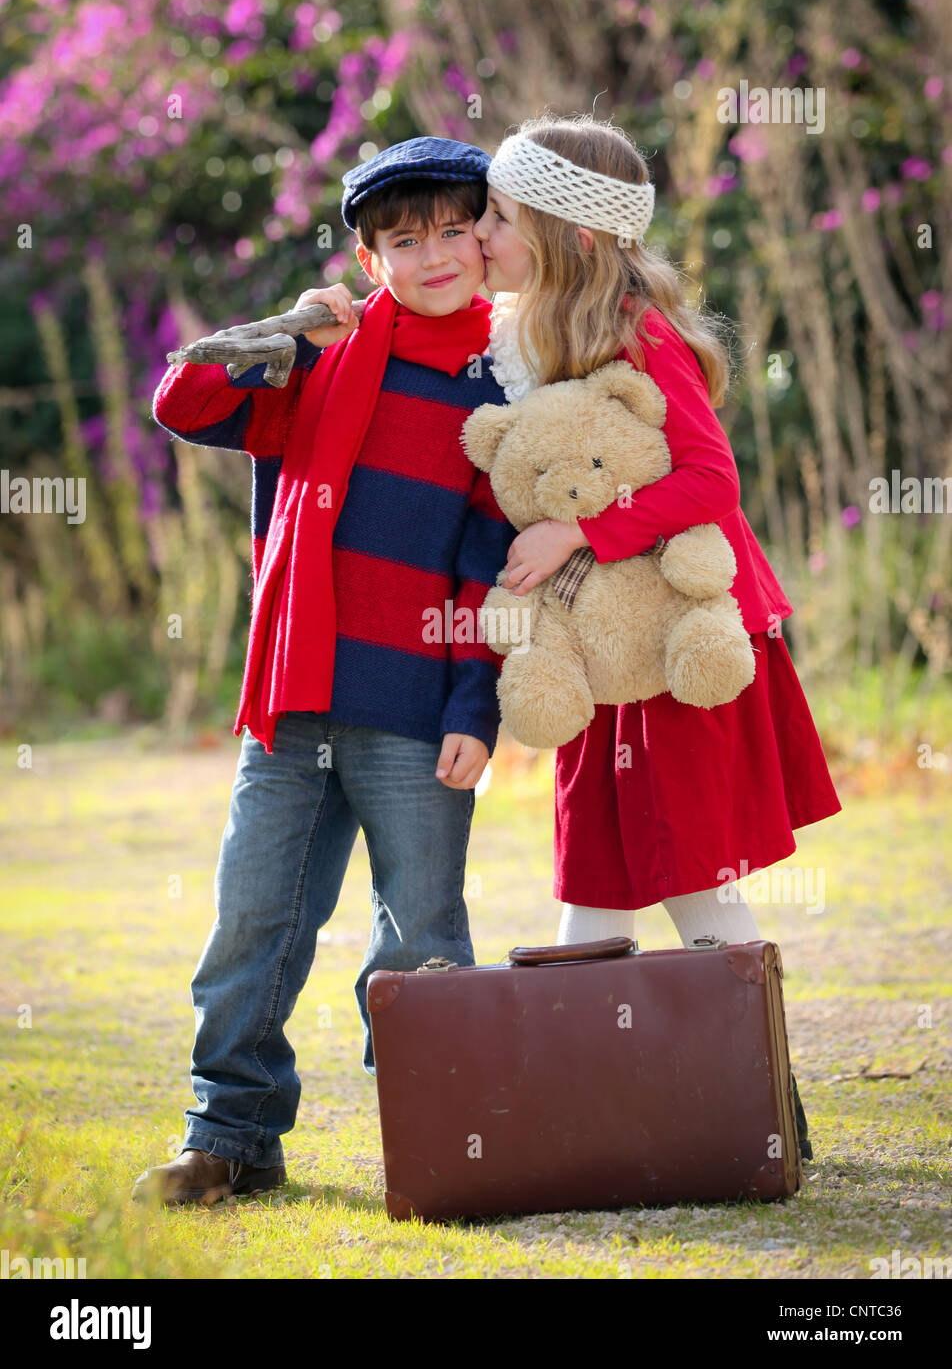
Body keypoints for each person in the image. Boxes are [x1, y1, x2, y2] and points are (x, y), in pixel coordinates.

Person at [133, 137, 517, 1205]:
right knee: (252, 927)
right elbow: (185, 405)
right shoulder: (324, 356)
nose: (435, 254)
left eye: (454, 230)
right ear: (368, 253)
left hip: (416, 709)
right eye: (405, 239)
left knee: (423, 938)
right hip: (293, 707)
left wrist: (476, 708)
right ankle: (232, 1138)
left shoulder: (508, 380)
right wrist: (287, 328)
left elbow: (495, 569)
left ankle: (443, 1145)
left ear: (485, 238)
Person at [473, 114, 842, 1162]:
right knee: (592, 861)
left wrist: (577, 530)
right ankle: (572, 1101)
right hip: (609, 657)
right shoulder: (539, 335)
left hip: (681, 649)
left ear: (567, 235)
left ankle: (764, 1101)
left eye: (499, 217)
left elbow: (707, 483)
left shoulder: (638, 332)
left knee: (687, 869)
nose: (481, 233)